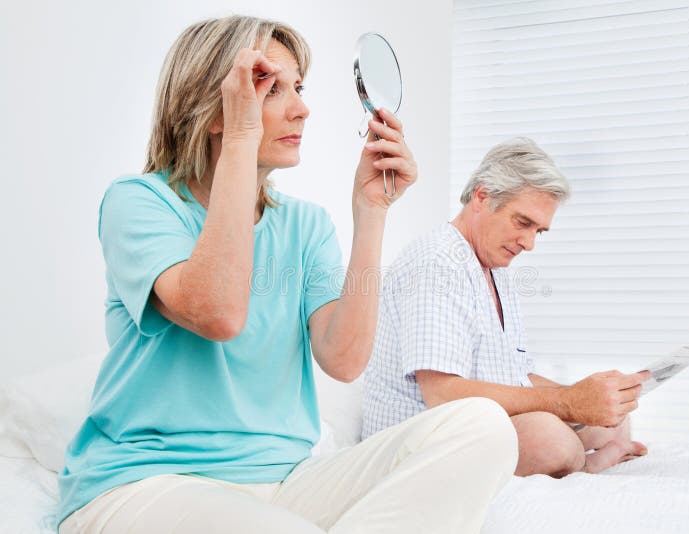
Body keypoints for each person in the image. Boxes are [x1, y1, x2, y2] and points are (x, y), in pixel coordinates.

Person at [57, 16, 518, 534]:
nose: (302, 107)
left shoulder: (304, 224)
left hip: (285, 483)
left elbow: (344, 361)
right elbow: (220, 312)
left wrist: (371, 212)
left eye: (298, 86)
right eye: (271, 88)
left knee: (483, 427)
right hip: (146, 483)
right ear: (215, 109)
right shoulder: (139, 203)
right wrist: (239, 136)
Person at [361, 137, 651, 478]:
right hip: (418, 445)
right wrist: (567, 402)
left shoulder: (495, 268)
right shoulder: (436, 262)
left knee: (612, 422)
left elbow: (517, 377)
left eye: (538, 232)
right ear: (482, 197)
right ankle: (588, 465)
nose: (528, 243)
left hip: (475, 428)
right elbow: (442, 394)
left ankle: (590, 453)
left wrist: (588, 396)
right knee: (552, 441)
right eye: (523, 223)